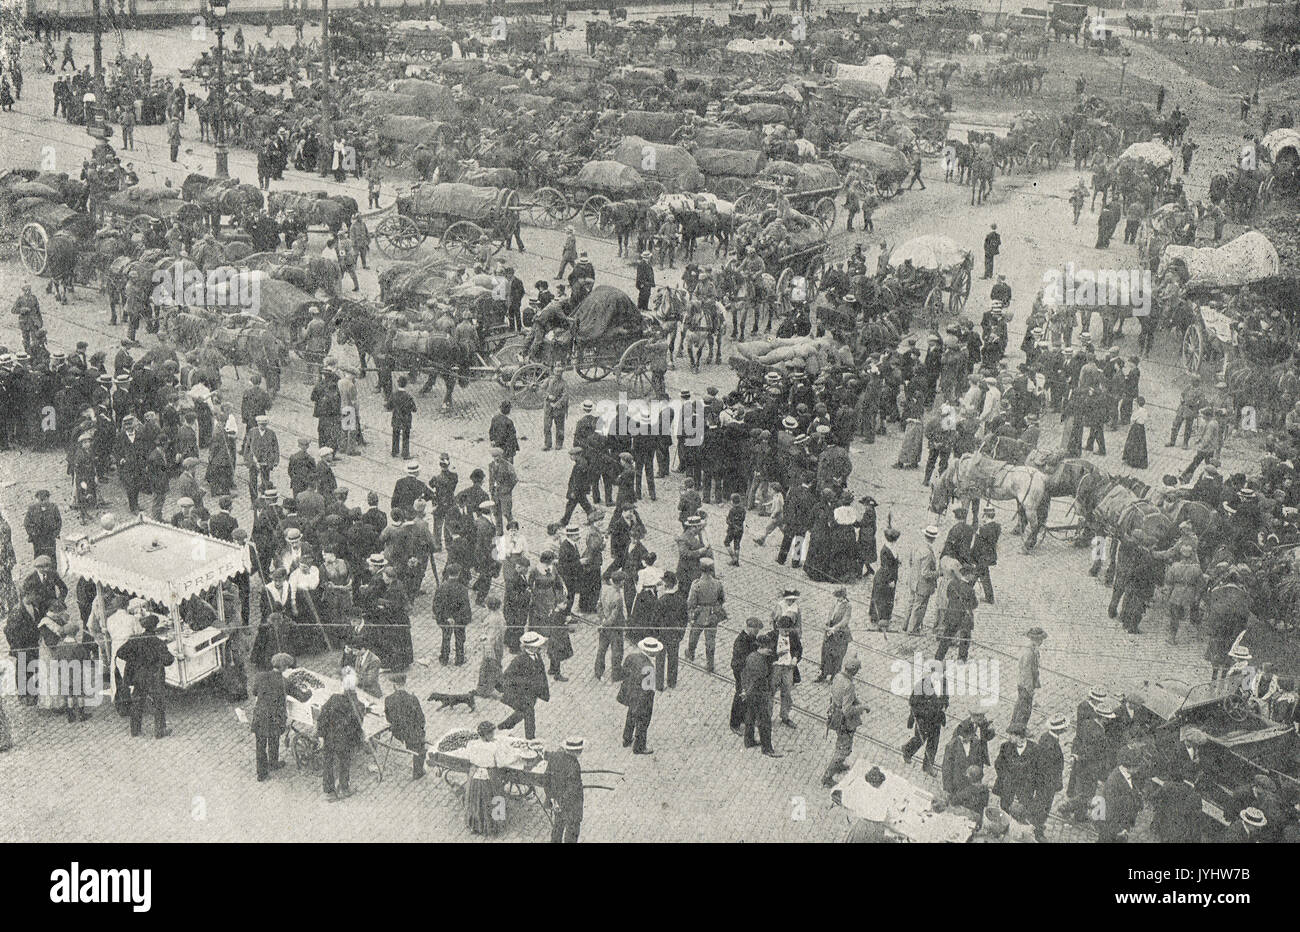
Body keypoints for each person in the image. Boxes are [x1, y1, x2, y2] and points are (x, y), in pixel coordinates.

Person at [115, 613, 175, 738]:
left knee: (137, 702)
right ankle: (160, 730)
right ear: (155, 627)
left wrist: (133, 660)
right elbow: (168, 660)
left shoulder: (135, 640)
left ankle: (135, 730)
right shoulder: (158, 643)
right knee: (159, 703)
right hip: (154, 677)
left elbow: (120, 653)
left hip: (138, 677)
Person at [318, 672, 367, 800]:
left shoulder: (333, 699)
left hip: (330, 737)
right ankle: (344, 788)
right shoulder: (358, 706)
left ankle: (329, 792)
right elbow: (359, 724)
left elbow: (322, 717)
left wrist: (321, 735)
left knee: (328, 762)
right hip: (345, 740)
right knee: (344, 763)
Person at [822, 655, 867, 786]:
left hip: (835, 715)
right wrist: (862, 707)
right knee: (843, 749)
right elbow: (847, 710)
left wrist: (855, 700)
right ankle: (827, 777)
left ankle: (839, 765)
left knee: (841, 743)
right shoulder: (849, 685)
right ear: (854, 670)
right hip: (844, 721)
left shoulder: (837, 676)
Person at [499, 631, 550, 738]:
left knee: (521, 713)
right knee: (529, 714)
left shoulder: (537, 655)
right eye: (537, 646)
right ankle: (530, 738)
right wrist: (525, 683)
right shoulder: (519, 660)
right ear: (529, 647)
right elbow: (507, 677)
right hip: (521, 694)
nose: (540, 647)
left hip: (532, 693)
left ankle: (504, 726)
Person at [251, 652, 292, 781]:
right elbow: (302, 696)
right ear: (283, 667)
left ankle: (261, 774)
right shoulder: (283, 682)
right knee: (274, 740)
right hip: (274, 718)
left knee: (260, 745)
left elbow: (254, 692)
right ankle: (273, 763)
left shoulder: (260, 676)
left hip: (260, 716)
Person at [741, 632, 782, 757]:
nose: (770, 651)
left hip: (750, 692)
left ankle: (749, 741)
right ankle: (767, 749)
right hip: (759, 693)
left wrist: (745, 691)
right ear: (761, 647)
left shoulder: (751, 656)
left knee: (750, 717)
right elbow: (759, 680)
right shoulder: (759, 662)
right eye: (768, 648)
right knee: (765, 721)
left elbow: (744, 674)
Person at [617, 637, 660, 754]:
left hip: (630, 694)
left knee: (631, 714)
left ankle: (627, 738)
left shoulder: (631, 657)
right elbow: (648, 690)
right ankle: (639, 746)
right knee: (643, 721)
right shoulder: (649, 667)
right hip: (642, 698)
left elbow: (623, 673)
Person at [464, 721, 506, 835]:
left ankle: (476, 825)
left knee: (476, 801)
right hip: (490, 777)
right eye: (491, 733)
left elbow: (469, 758)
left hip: (476, 776)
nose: (493, 736)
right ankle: (494, 826)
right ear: (486, 735)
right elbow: (501, 763)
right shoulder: (494, 747)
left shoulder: (472, 744)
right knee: (495, 798)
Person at [384, 672, 427, 780]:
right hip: (412, 733)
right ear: (404, 684)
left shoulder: (388, 699)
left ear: (394, 686)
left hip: (398, 732)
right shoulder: (413, 699)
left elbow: (388, 719)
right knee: (420, 746)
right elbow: (421, 719)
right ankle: (418, 771)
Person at [545, 737, 586, 843]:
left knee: (558, 827)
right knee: (572, 832)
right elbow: (572, 789)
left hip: (557, 800)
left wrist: (553, 799)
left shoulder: (554, 756)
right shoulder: (574, 766)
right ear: (577, 751)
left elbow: (546, 779)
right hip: (571, 806)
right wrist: (561, 802)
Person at [1011, 627, 1047, 730]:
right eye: (1041, 640)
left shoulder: (1032, 649)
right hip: (1025, 685)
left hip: (1024, 684)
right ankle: (1020, 730)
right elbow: (1026, 673)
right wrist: (1030, 689)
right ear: (1037, 640)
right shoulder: (1028, 653)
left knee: (1020, 706)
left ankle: (1014, 726)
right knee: (1025, 710)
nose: (1042, 642)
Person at [815, 587, 852, 681]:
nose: (837, 598)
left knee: (837, 656)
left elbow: (845, 620)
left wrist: (834, 628)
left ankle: (834, 677)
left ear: (843, 596)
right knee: (825, 653)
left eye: (839, 596)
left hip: (840, 635)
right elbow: (830, 615)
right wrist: (827, 624)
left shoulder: (848, 606)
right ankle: (822, 674)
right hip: (829, 632)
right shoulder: (835, 603)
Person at [869, 527, 900, 629]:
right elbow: (886, 567)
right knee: (882, 597)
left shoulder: (891, 547)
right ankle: (880, 617)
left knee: (887, 596)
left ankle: (884, 616)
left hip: (891, 576)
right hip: (885, 578)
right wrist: (890, 580)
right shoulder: (885, 550)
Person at [388, 376, 416, 459]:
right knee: (406, 436)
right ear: (406, 384)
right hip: (406, 419)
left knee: (395, 434)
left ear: (398, 383)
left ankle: (394, 451)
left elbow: (389, 406)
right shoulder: (408, 396)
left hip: (396, 418)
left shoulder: (393, 395)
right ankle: (405, 453)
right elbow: (414, 409)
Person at [1122, 395, 1148, 469]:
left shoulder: (1137, 411)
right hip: (1142, 429)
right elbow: (1145, 419)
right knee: (1141, 445)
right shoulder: (1145, 411)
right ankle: (1140, 461)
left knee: (1133, 443)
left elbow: (1132, 419)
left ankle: (1132, 460)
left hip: (1135, 428)